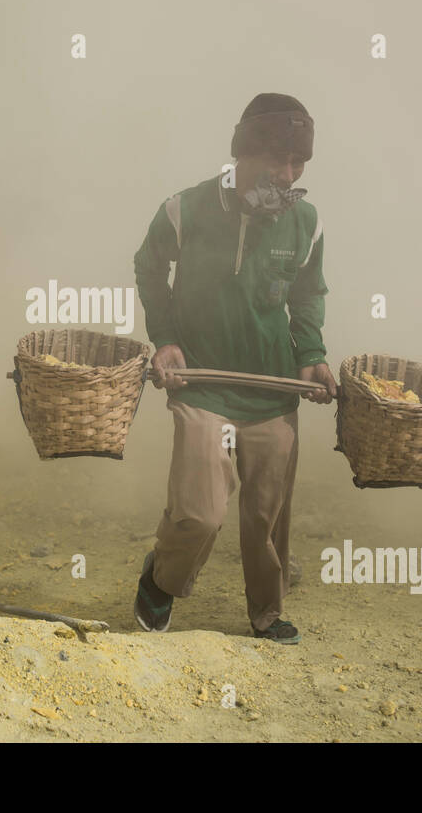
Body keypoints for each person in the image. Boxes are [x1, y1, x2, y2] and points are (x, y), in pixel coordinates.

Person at [131, 93, 338, 643]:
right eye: (278, 160)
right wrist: (166, 339)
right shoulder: (185, 209)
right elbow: (148, 267)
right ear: (243, 152)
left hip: (273, 393)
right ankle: (161, 578)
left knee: (267, 519)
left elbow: (307, 294)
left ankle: (266, 612)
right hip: (202, 385)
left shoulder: (307, 222)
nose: (289, 173)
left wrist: (312, 357)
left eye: (299, 164)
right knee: (199, 513)